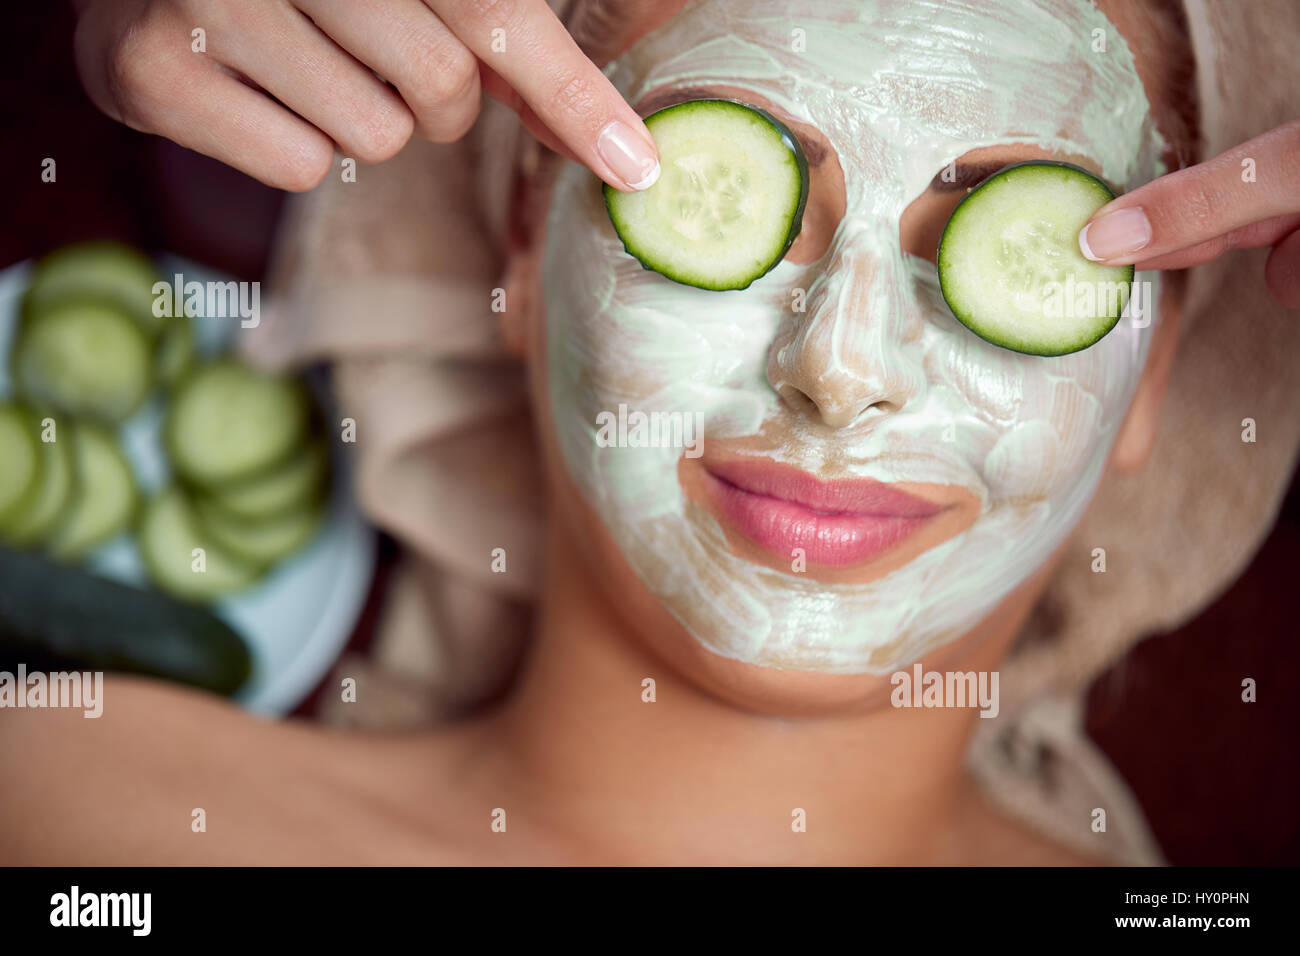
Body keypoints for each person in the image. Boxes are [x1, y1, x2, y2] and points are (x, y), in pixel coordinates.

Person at [2, 0, 1294, 865]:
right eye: (734, 200)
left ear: (1158, 360)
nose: (838, 374)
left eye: (1010, 244)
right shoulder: (63, 798)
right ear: (522, 244)